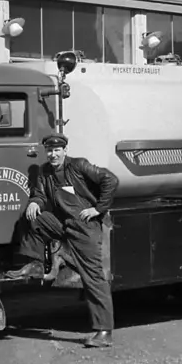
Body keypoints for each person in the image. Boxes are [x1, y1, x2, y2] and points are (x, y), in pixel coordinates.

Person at [20, 132, 118, 348]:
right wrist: (35, 202)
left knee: (93, 278)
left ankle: (104, 331)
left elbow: (110, 179)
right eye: (50, 150)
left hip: (84, 228)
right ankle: (45, 260)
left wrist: (98, 209)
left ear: (65, 151)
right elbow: (40, 194)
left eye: (57, 150)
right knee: (36, 218)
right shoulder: (45, 172)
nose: (53, 154)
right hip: (62, 224)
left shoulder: (78, 166)